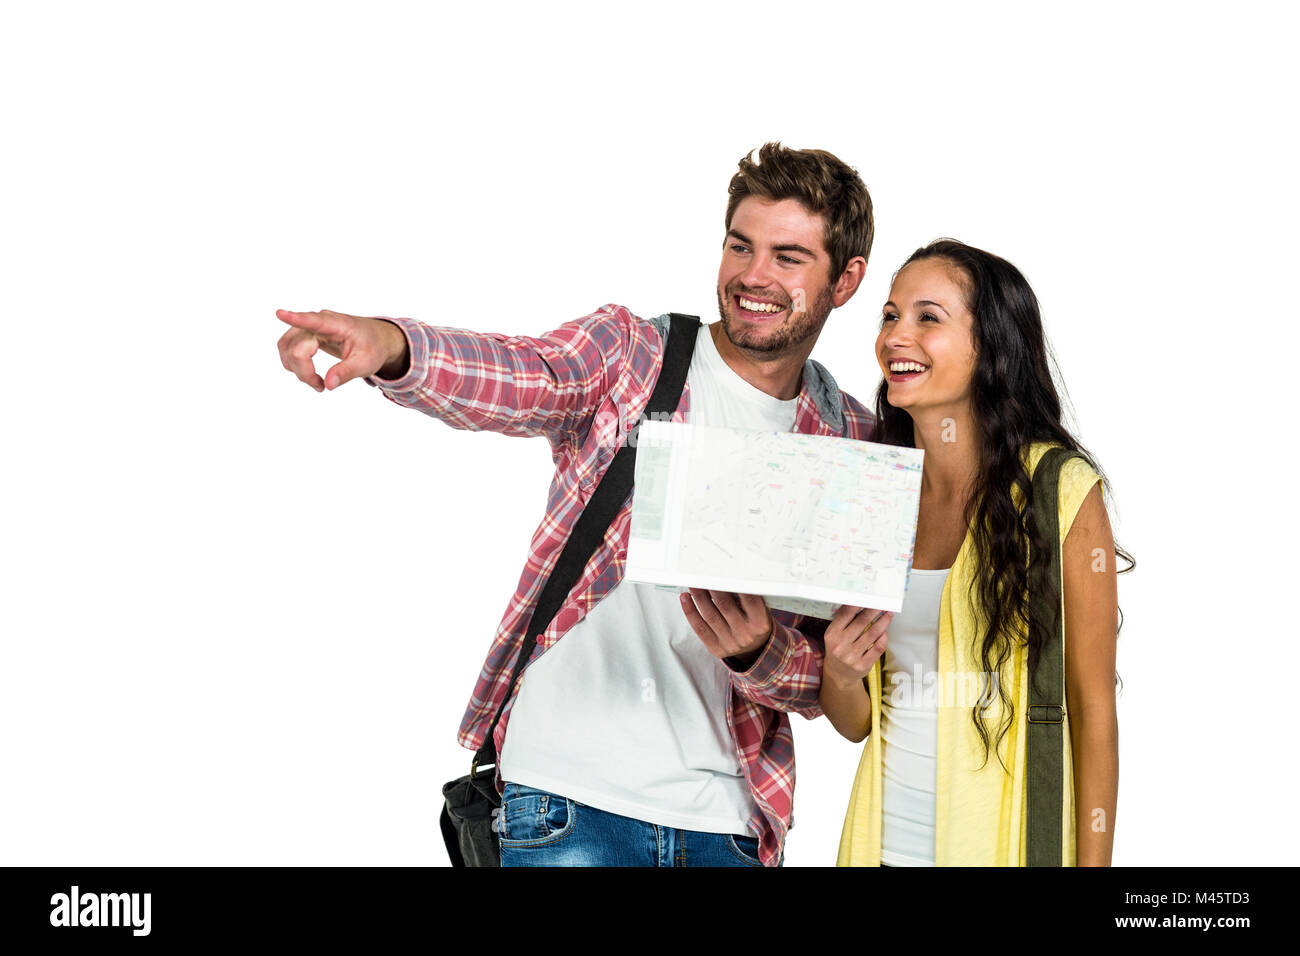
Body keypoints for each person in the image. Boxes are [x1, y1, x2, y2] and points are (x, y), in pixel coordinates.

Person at [274, 143, 877, 866]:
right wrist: (396, 347)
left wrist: (758, 650)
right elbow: (526, 377)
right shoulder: (635, 354)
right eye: (739, 245)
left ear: (845, 281)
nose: (752, 276)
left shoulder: (846, 438)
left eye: (788, 257)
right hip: (566, 801)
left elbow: (828, 681)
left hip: (728, 822)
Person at [820, 239, 1126, 866]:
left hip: (1004, 846)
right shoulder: (877, 489)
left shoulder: (1058, 490)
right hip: (881, 847)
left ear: (990, 344)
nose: (896, 335)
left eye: (927, 318)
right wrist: (840, 672)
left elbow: (1092, 709)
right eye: (889, 315)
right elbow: (857, 721)